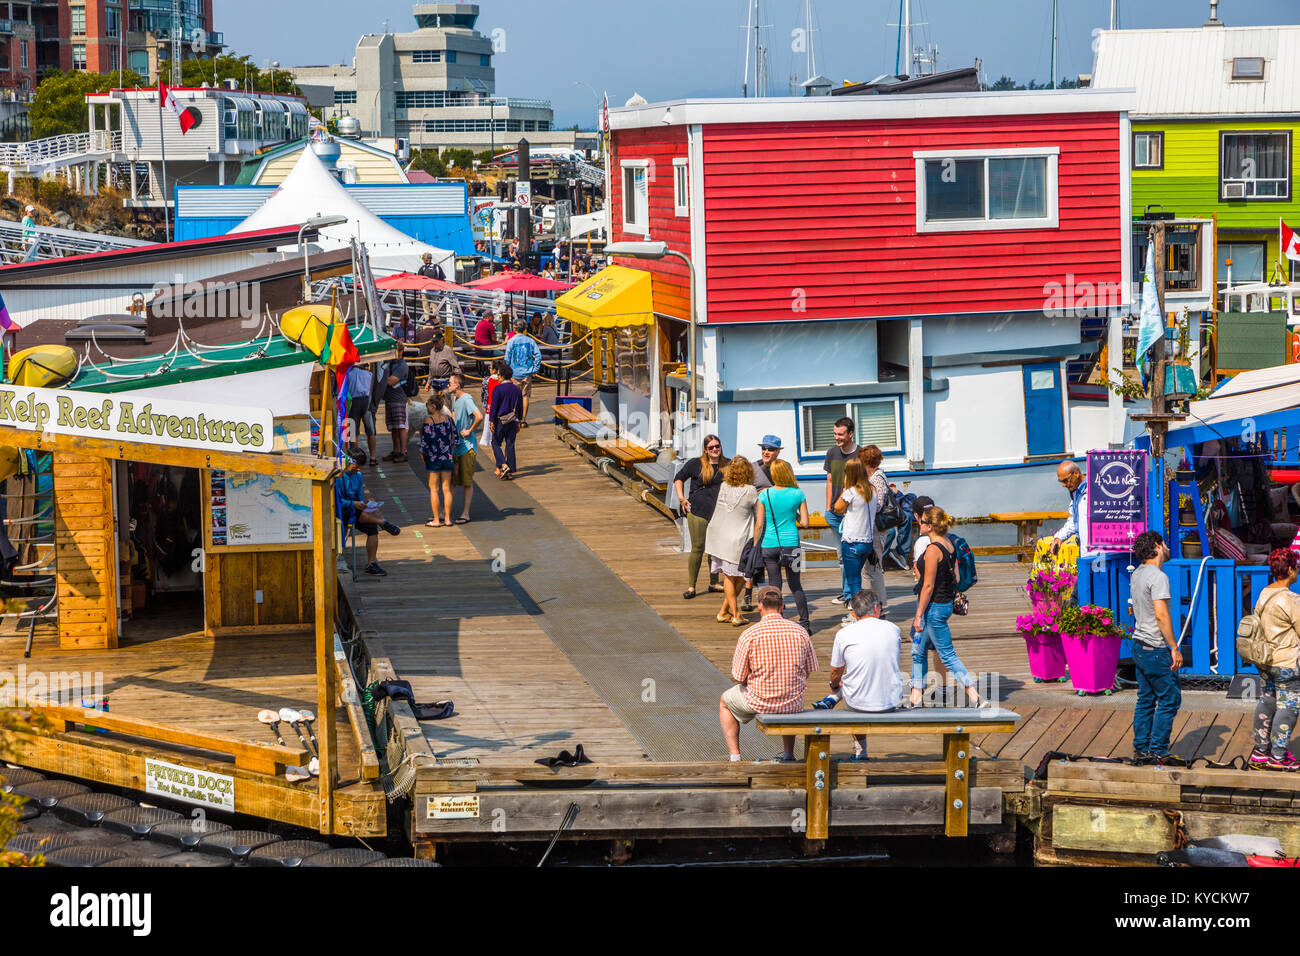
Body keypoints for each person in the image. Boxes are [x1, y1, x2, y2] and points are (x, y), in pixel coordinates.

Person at [719, 586, 818, 762]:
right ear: (782, 607)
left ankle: (735, 756)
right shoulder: (800, 631)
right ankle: (788, 753)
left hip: (760, 702)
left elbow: (739, 677)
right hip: (793, 703)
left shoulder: (750, 634)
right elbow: (809, 670)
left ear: (759, 606)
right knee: (790, 691)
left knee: (724, 702)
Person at [910, 506, 982, 707]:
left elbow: (928, 585)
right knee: (918, 650)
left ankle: (975, 696)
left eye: (923, 522)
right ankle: (915, 698)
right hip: (945, 604)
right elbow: (957, 577)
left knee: (947, 655)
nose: (920, 524)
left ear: (930, 526)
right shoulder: (949, 544)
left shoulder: (933, 550)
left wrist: (918, 615)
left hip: (932, 609)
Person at [818, 588, 903, 758]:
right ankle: (835, 697)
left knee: (848, 683)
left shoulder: (844, 634)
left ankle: (861, 751)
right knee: (866, 676)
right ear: (876, 608)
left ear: (855, 614)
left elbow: (836, 671)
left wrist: (834, 686)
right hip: (891, 700)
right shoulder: (893, 629)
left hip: (858, 704)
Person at [1128, 530, 1184, 766]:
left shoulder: (1138, 573)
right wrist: (1174, 647)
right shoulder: (1158, 576)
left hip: (1139, 644)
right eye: (1165, 543)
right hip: (1155, 646)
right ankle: (1159, 750)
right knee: (1170, 698)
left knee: (1145, 698)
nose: (1168, 547)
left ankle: (1142, 748)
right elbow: (1161, 615)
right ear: (1158, 546)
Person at [1249, 548, 1300, 771]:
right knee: (1288, 706)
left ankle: (1261, 751)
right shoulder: (1290, 599)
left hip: (1265, 659)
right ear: (1289, 569)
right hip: (1286, 660)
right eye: (1296, 567)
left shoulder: (1264, 593)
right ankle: (1278, 756)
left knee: (1268, 700)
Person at [754, 459, 810, 634]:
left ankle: (778, 623)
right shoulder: (798, 494)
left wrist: (755, 545)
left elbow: (759, 524)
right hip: (792, 545)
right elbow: (805, 523)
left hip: (769, 545)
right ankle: (805, 624)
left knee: (775, 586)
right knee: (796, 585)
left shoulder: (764, 495)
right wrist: (794, 512)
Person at [704, 456, 759, 626]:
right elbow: (758, 513)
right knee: (735, 576)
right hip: (738, 538)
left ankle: (723, 612)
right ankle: (736, 614)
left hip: (720, 535)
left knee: (735, 576)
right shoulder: (750, 490)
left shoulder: (723, 486)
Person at [673, 434, 726, 600]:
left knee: (715, 549)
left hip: (720, 512)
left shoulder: (728, 464)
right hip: (697, 511)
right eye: (711, 447)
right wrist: (681, 498)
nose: (715, 449)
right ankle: (691, 586)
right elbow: (678, 478)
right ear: (705, 450)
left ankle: (713, 582)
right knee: (698, 547)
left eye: (717, 446)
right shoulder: (696, 463)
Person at [335, 455, 401, 576]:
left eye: (360, 467)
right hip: (342, 509)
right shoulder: (338, 477)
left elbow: (360, 496)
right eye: (357, 466)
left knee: (372, 528)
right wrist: (353, 503)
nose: (359, 469)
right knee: (349, 512)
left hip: (357, 509)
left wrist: (364, 505)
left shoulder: (358, 476)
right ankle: (382, 522)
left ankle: (371, 563)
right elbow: (337, 500)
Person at [832, 459, 878, 616]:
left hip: (851, 542)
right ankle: (864, 611)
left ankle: (857, 614)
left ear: (849, 473)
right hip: (867, 542)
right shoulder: (872, 490)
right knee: (856, 578)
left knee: (853, 582)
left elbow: (837, 508)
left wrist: (845, 487)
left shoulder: (850, 491)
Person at [824, 417, 859, 606]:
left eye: (840, 434)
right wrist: (828, 506)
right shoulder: (832, 453)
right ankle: (847, 593)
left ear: (850, 434)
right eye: (835, 434)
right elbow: (829, 480)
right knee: (842, 555)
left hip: (852, 514)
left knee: (848, 555)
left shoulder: (860, 454)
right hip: (835, 513)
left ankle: (850, 594)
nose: (836, 438)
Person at [857, 444, 891, 611]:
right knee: (868, 569)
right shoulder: (875, 477)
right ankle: (873, 605)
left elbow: (877, 505)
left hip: (876, 530)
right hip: (871, 529)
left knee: (873, 568)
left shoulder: (877, 478)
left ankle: (879, 606)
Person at [419, 392, 458, 527]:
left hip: (433, 458)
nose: (427, 408)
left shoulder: (428, 421)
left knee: (434, 489)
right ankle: (447, 519)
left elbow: (424, 443)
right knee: (446, 489)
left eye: (428, 406)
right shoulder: (448, 419)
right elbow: (455, 438)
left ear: (433, 406)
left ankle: (436, 519)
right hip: (447, 457)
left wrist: (423, 456)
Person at [448, 373, 482, 524]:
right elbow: (454, 415)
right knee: (453, 481)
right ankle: (445, 511)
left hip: (467, 446)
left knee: (467, 481)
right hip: (456, 445)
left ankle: (465, 513)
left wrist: (470, 430)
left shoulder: (467, 399)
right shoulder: (454, 398)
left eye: (450, 383)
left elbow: (479, 416)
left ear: (457, 385)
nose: (448, 385)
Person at [371, 356, 410, 463]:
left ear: (401, 352)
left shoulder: (402, 365)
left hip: (399, 399)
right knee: (393, 428)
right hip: (389, 399)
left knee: (401, 426)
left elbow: (390, 381)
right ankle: (396, 451)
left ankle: (403, 452)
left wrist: (378, 377)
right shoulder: (390, 363)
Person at [488, 362, 524, 480]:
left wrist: (491, 421)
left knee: (495, 443)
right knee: (510, 444)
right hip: (512, 420)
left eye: (498, 375)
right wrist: (519, 420)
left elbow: (494, 407)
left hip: (500, 420)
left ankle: (503, 465)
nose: (497, 377)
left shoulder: (498, 389)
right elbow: (519, 407)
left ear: (502, 376)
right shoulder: (517, 389)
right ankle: (510, 468)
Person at [503, 320, 541, 425]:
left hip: (514, 373)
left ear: (514, 329)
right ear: (524, 329)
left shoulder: (511, 341)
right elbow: (538, 355)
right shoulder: (530, 340)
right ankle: (523, 419)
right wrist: (535, 368)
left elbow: (507, 358)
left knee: (514, 396)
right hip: (527, 372)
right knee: (525, 396)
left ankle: (514, 418)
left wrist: (506, 371)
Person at [1051, 461, 1091, 555]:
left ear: (1076, 473)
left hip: (1098, 551)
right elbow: (1074, 520)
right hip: (1085, 551)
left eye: (1065, 480)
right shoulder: (1075, 492)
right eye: (1061, 482)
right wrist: (1059, 538)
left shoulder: (1093, 488)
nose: (1063, 485)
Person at [473, 310, 498, 375]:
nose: (493, 318)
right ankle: (497, 373)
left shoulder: (480, 323)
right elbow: (494, 339)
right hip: (486, 350)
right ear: (488, 317)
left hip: (478, 349)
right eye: (492, 316)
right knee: (502, 355)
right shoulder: (489, 324)